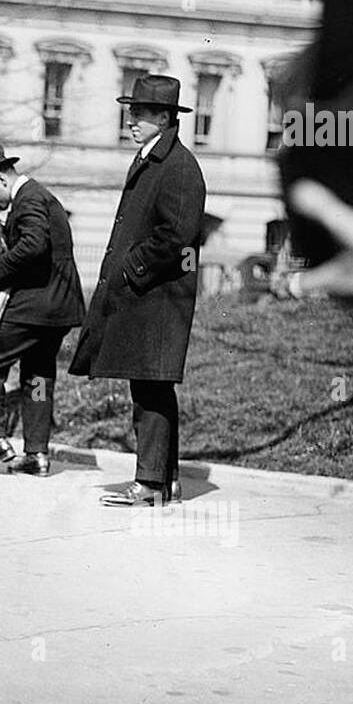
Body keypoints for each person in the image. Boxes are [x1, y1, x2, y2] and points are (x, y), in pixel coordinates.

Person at [69, 75, 206, 506]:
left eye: (141, 113)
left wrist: (132, 268)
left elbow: (176, 235)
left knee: (150, 389)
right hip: (150, 297)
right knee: (151, 387)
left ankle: (150, 484)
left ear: (164, 118)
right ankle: (163, 480)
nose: (131, 120)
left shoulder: (178, 167)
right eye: (132, 111)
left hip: (159, 299)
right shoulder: (154, 160)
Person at [0, 144, 85, 477]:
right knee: (37, 376)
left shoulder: (29, 198)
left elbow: (34, 245)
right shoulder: (40, 196)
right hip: (58, 307)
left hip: (35, 306)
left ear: (2, 178)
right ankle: (36, 453)